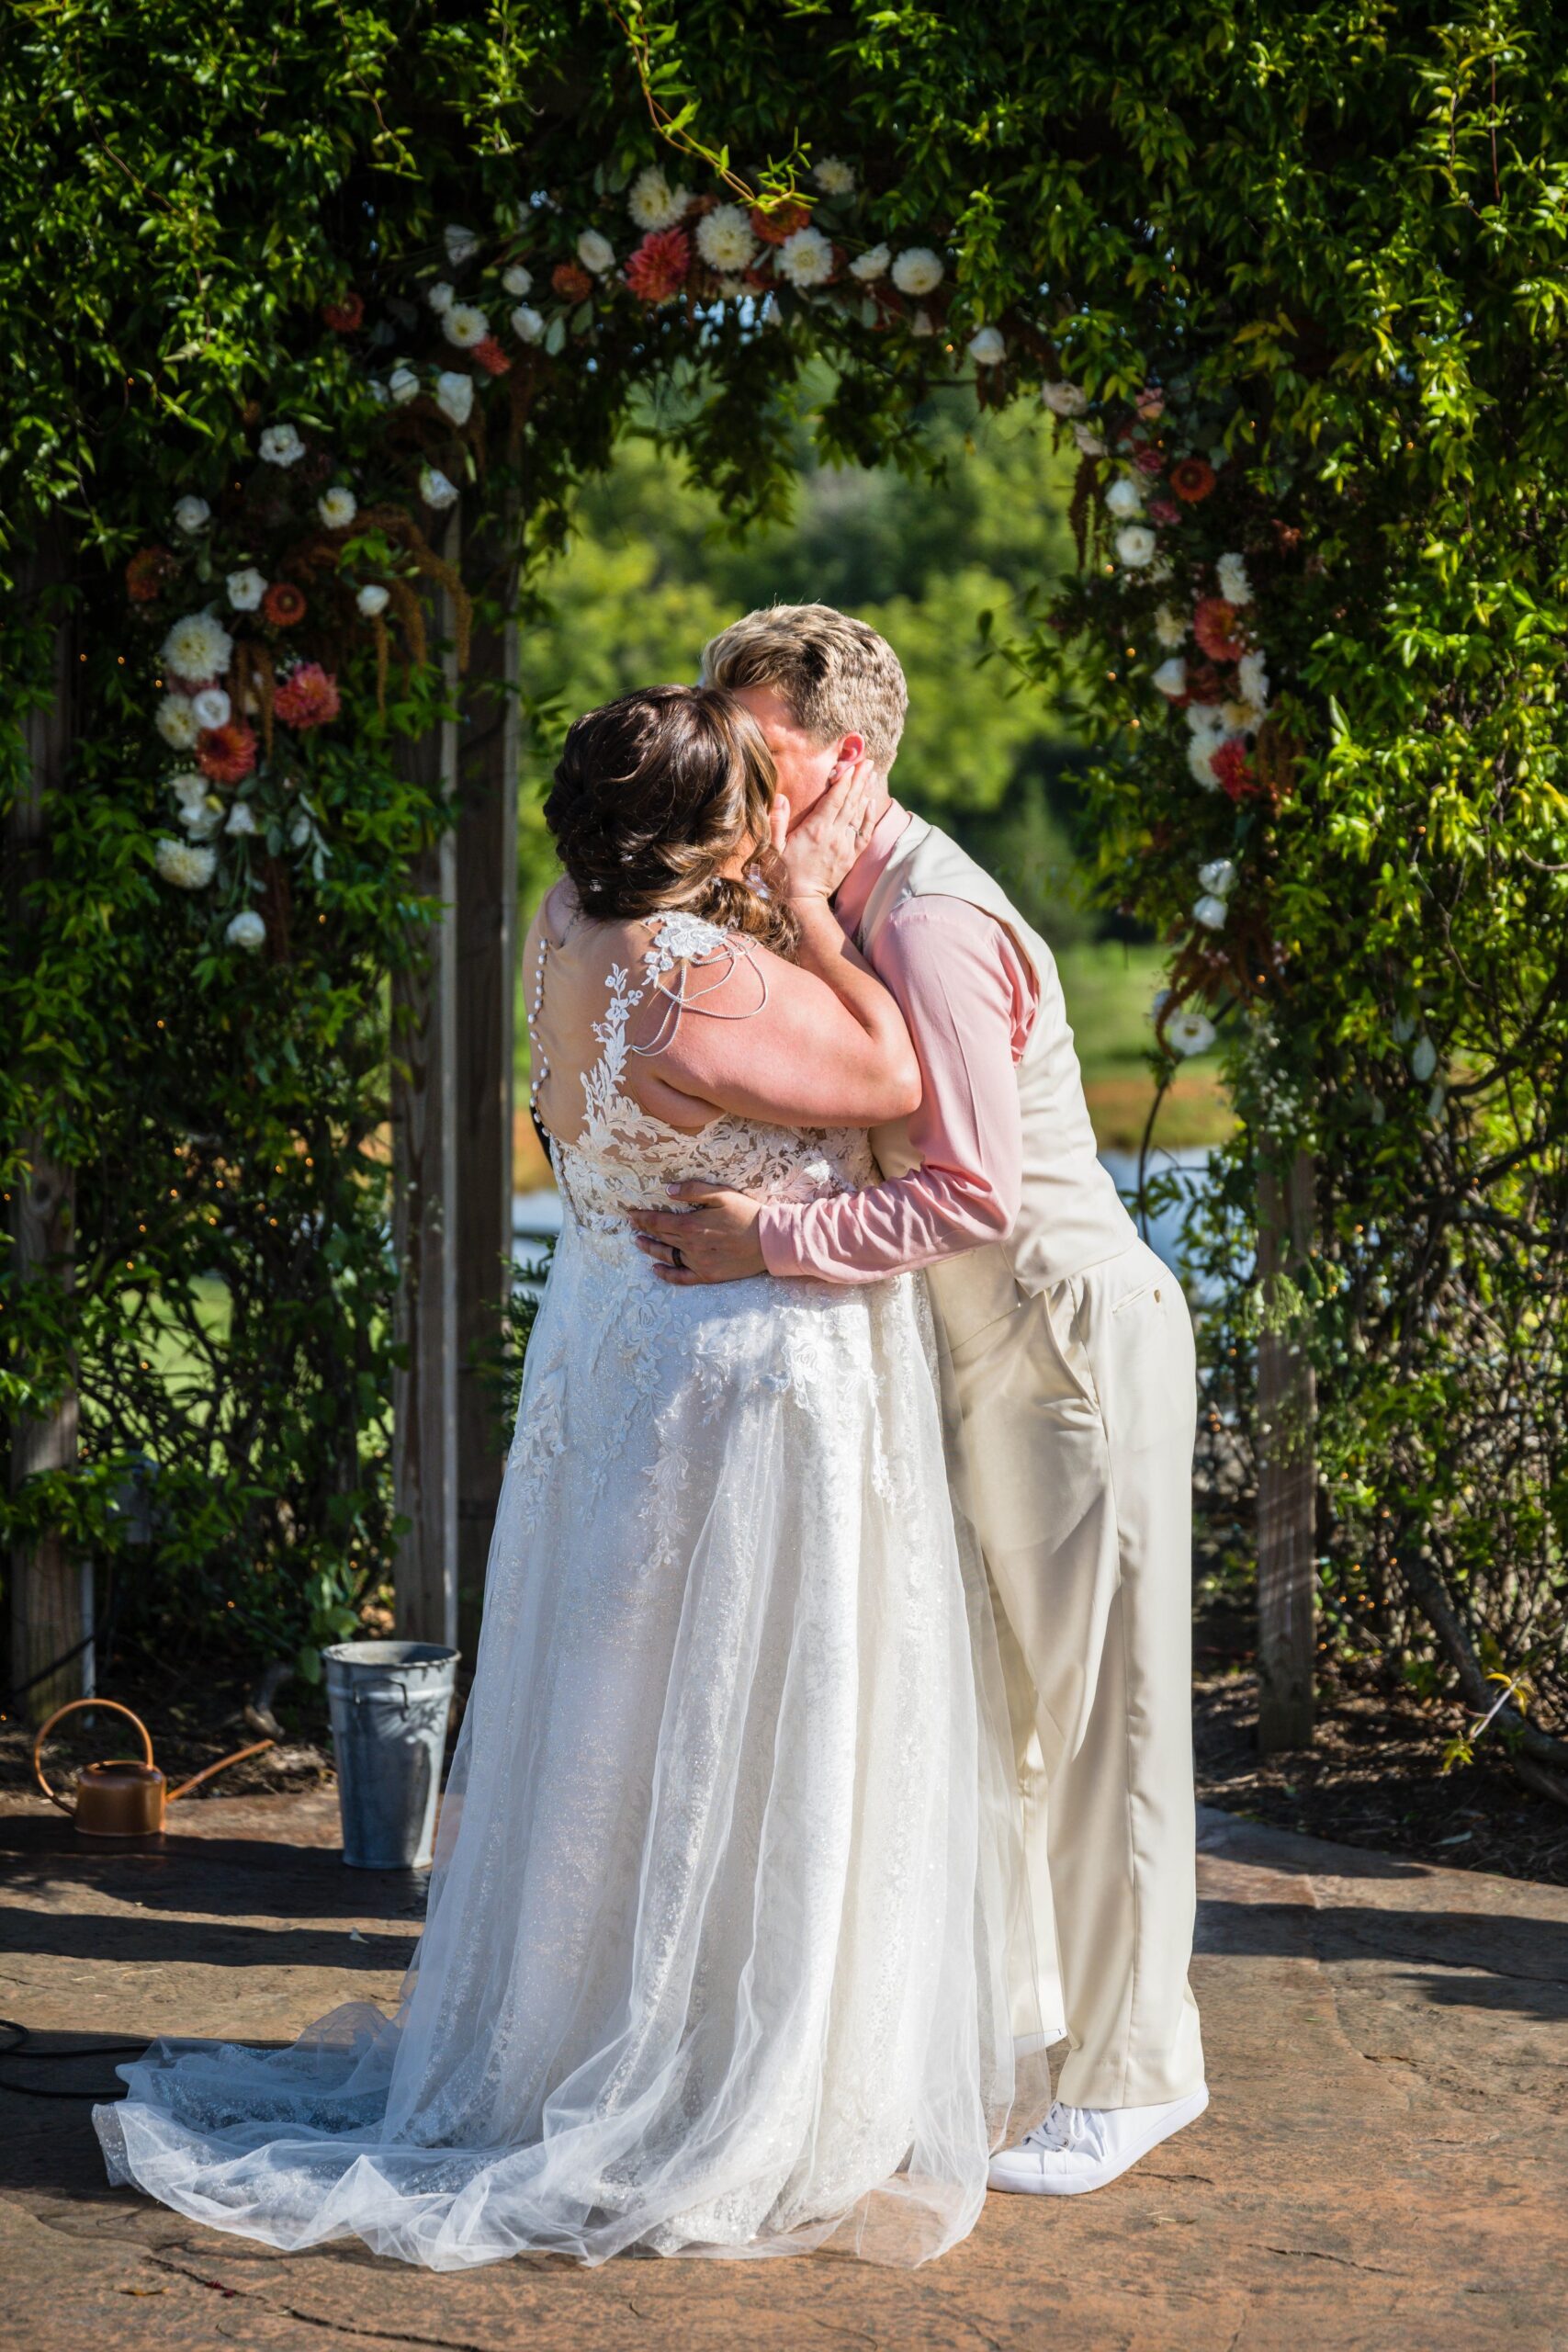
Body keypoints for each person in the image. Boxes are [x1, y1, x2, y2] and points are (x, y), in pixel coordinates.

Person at [94, 684, 1044, 2268]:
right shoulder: (693, 975)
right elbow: (888, 1077)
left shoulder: (565, 922)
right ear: (719, 831)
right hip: (739, 1381)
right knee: (738, 1704)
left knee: (617, 1706)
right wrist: (811, 906)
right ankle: (705, 2067)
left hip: (613, 1335)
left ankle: (570, 2023)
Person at [627, 607, 1209, 2196]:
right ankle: (1021, 2026)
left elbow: (963, 1189)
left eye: (762, 757)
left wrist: (775, 1240)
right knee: (993, 1722)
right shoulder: (836, 901)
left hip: (1065, 1341)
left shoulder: (938, 924)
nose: (739, 789)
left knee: (1109, 1729)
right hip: (971, 1361)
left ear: (849, 758)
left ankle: (1135, 2077)